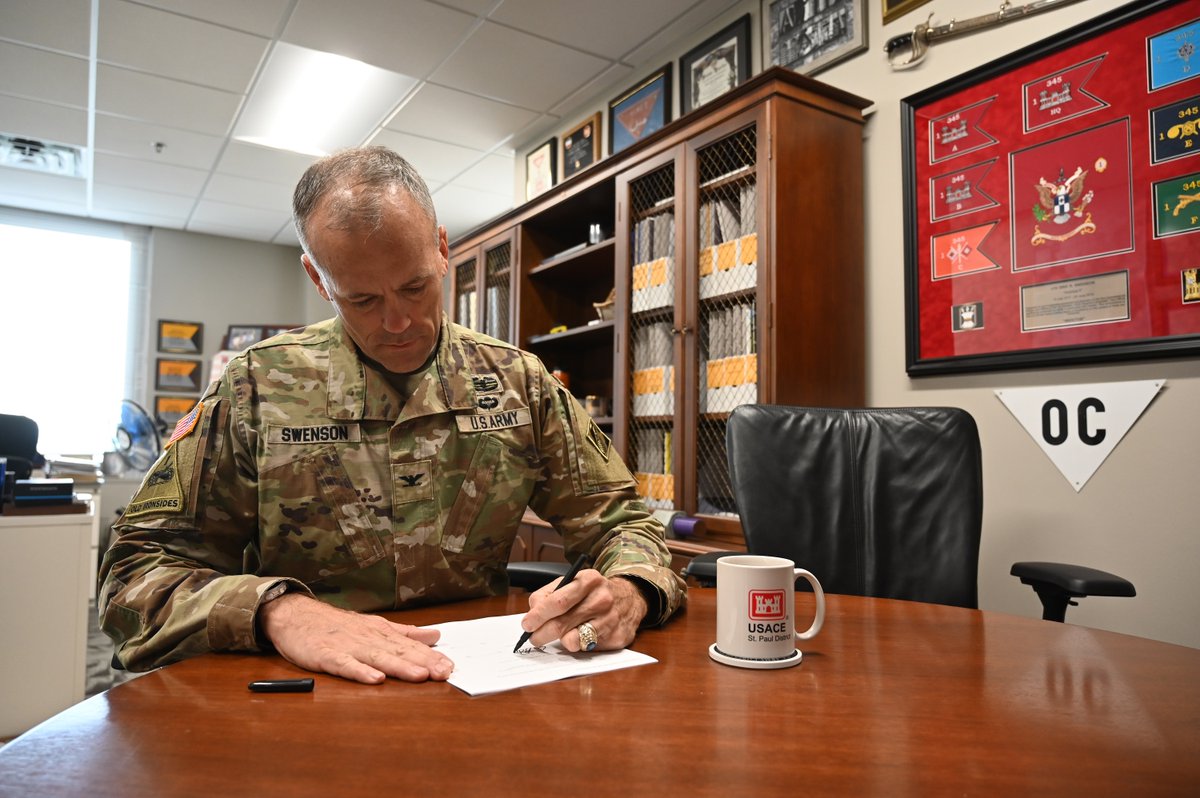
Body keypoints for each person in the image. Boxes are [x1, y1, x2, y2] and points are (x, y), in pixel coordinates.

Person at [99, 146, 686, 685]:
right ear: (317, 278)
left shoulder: (519, 384)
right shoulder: (257, 387)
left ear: (442, 248)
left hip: (478, 685)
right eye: (363, 299)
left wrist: (629, 589)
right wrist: (276, 610)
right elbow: (134, 574)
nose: (399, 321)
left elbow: (623, 524)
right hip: (307, 693)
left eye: (415, 286)